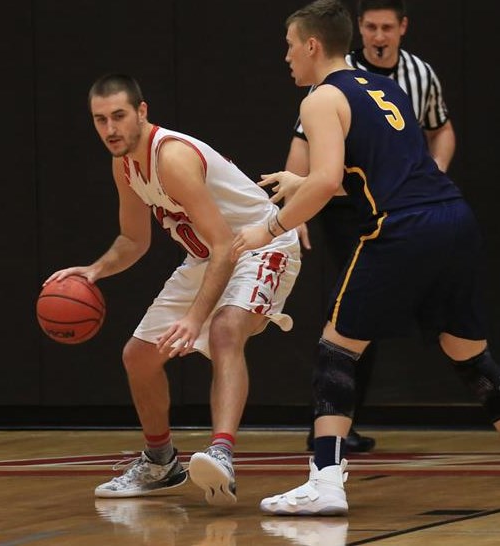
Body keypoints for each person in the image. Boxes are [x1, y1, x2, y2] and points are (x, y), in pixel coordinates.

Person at [232, 0, 500, 516]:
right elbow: (368, 173)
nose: (286, 57)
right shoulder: (386, 87)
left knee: (337, 346)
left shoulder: (321, 98)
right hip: (454, 219)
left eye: (290, 46)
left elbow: (330, 179)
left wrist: (266, 229)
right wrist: (300, 183)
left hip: (404, 228)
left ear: (312, 45)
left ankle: (325, 480)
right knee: (466, 350)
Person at [45, 74, 301, 506]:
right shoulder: (123, 164)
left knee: (223, 331)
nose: (111, 129)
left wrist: (194, 319)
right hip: (209, 257)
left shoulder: (172, 158)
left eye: (120, 116)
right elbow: (133, 241)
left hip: (260, 245)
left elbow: (225, 246)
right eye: (101, 119)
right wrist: (94, 270)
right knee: (138, 355)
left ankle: (221, 452)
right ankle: (161, 462)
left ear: (142, 112)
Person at [285, 0, 456, 453]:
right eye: (371, 27)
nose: (379, 36)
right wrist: (295, 209)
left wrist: (432, 170)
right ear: (357, 30)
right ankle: (331, 437)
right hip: (356, 207)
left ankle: (328, 458)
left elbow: (441, 128)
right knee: (352, 318)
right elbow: (308, 152)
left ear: (403, 28)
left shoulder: (415, 78)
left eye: (387, 27)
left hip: (404, 207)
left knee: (366, 325)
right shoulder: (330, 88)